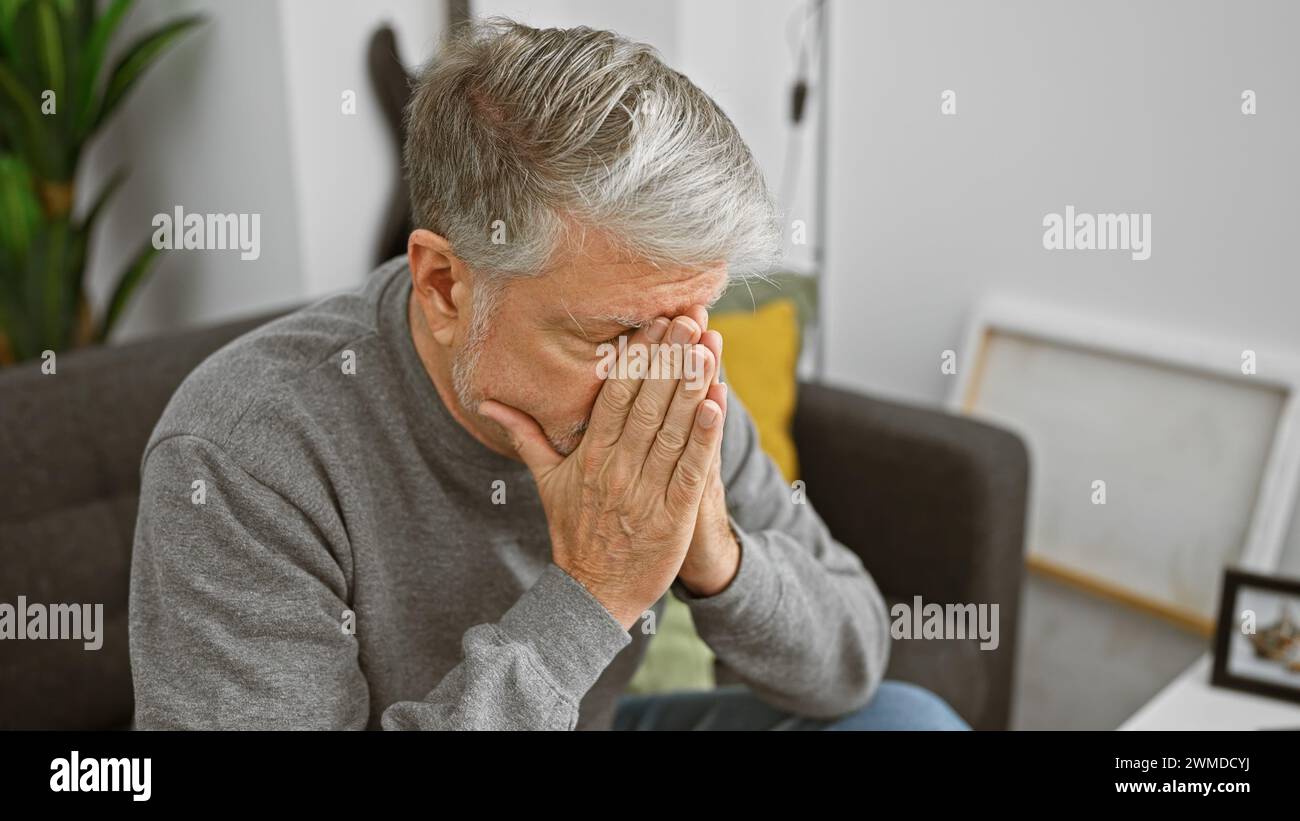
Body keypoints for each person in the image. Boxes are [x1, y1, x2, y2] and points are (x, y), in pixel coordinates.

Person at [128, 18, 967, 731]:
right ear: (445, 286)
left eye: (689, 320)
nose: (661, 375)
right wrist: (593, 592)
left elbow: (853, 661)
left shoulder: (671, 364)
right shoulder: (243, 451)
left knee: (906, 720)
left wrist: (717, 556)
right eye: (613, 334)